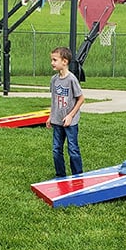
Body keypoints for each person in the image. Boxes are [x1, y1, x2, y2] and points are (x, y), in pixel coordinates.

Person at [47, 47, 84, 177]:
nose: (52, 63)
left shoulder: (71, 79)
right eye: (51, 60)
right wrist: (50, 116)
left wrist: (70, 115)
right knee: (56, 149)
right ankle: (60, 176)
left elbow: (81, 99)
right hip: (57, 121)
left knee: (73, 149)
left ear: (65, 61)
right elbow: (54, 99)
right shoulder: (54, 80)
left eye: (54, 60)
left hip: (70, 122)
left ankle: (78, 176)